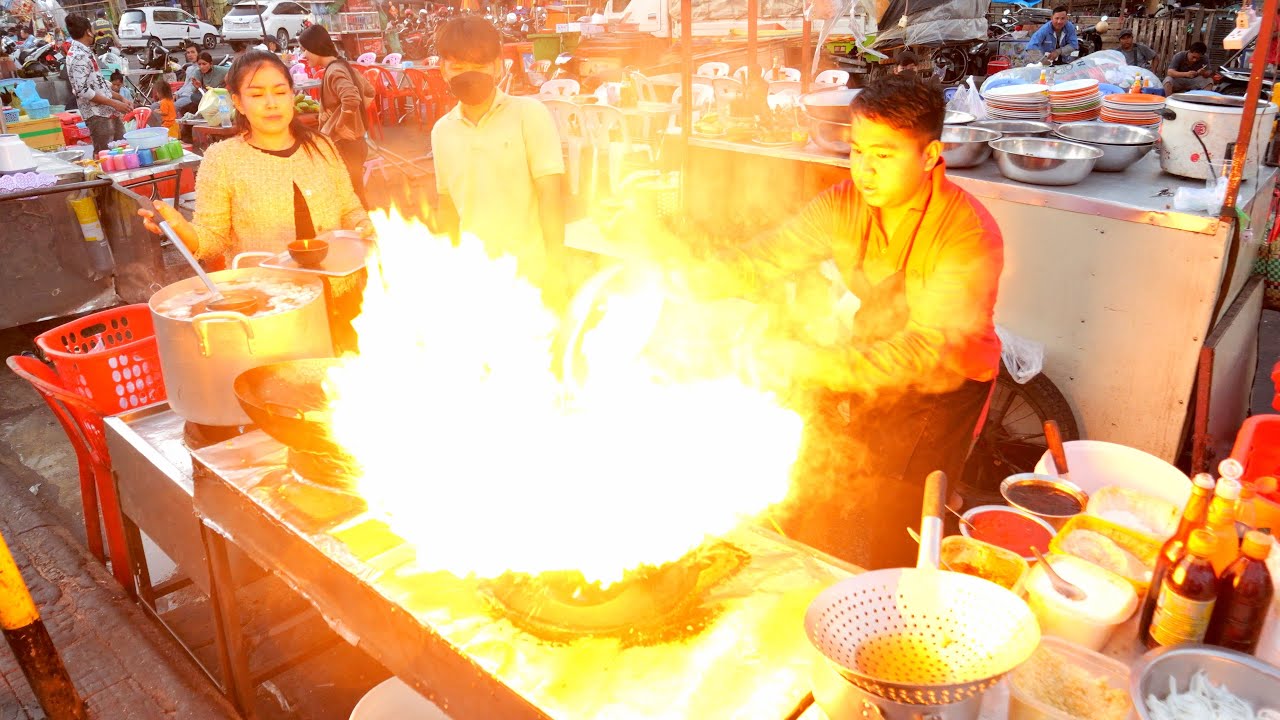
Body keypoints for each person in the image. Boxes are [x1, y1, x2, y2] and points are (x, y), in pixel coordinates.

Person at [672, 74, 1003, 570]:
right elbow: (764, 257)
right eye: (857, 151)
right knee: (830, 473)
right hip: (867, 354)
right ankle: (808, 577)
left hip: (944, 385)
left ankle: (894, 610)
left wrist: (807, 362)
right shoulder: (843, 204)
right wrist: (678, 284)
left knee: (900, 517)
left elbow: (923, 352)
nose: (865, 170)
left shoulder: (965, 234)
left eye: (884, 155)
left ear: (931, 155)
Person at [138, 50, 371, 261]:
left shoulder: (322, 146)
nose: (271, 103)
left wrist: (365, 226)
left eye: (280, 92)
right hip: (268, 298)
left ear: (292, 96)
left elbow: (350, 210)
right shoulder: (222, 160)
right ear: (238, 102)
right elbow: (212, 240)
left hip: (341, 286)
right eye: (257, 95)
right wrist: (180, 227)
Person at [430, 15, 567, 308]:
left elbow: (551, 196)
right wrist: (445, 266)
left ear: (498, 66)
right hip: (475, 276)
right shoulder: (442, 131)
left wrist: (556, 267)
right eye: (458, 66)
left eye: (479, 65)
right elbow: (448, 205)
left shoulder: (530, 114)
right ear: (442, 69)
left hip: (529, 274)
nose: (468, 74)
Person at [299, 24, 374, 205]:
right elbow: (369, 92)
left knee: (352, 198)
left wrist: (342, 124)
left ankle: (364, 230)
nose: (303, 55)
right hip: (354, 143)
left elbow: (351, 98)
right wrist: (353, 119)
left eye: (305, 50)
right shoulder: (343, 65)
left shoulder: (335, 70)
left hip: (346, 145)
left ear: (316, 47)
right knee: (353, 194)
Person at [66, 14, 131, 153]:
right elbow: (83, 90)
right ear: (88, 31)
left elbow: (99, 84)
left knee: (123, 150)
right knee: (105, 155)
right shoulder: (78, 56)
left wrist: (120, 98)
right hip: (97, 115)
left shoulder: (86, 52)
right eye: (92, 30)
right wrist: (114, 103)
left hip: (109, 112)